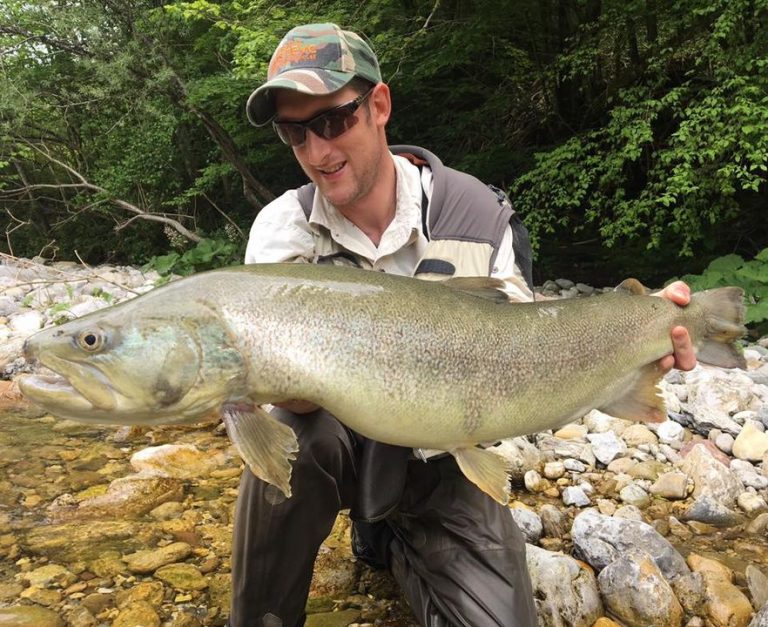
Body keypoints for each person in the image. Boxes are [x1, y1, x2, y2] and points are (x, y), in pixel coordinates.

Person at [231, 23, 697, 627]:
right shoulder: (281, 230)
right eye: (295, 132)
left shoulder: (479, 216)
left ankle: (391, 538)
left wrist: (632, 351)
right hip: (337, 444)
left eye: (331, 121)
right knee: (292, 441)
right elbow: (278, 398)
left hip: (444, 457)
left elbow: (530, 359)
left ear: (379, 106)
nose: (318, 151)